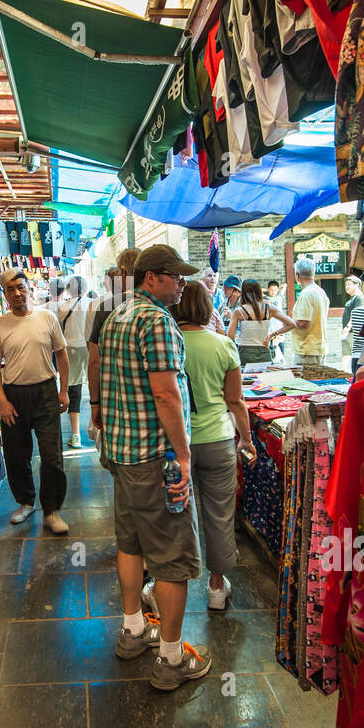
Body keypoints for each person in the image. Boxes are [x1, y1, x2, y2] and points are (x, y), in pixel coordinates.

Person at [94, 244, 213, 691]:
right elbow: (167, 394)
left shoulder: (118, 317)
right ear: (151, 278)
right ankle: (171, 656)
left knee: (130, 542)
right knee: (171, 559)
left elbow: (107, 383)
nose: (182, 283)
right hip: (155, 459)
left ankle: (132, 630)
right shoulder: (157, 321)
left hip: (123, 455)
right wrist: (183, 456)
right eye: (175, 275)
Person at [155, 280, 256, 611]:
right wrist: (247, 439)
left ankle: (167, 585)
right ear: (208, 308)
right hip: (217, 440)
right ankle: (216, 587)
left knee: (173, 512)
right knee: (219, 513)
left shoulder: (167, 343)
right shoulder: (224, 345)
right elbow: (236, 401)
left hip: (174, 442)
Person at [0, 268, 70, 534]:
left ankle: (51, 510)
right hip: (14, 396)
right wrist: (2, 401)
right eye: (11, 290)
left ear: (29, 288)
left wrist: (64, 390)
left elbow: (62, 356)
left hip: (45, 393)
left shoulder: (47, 318)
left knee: (52, 456)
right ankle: (25, 501)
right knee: (17, 455)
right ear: (6, 295)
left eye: (20, 287)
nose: (17, 293)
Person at [86, 248, 139, 458]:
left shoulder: (108, 307)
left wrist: (95, 403)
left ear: (123, 272)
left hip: (116, 397)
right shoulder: (161, 304)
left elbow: (94, 362)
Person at [50, 275, 91, 448]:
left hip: (70, 350)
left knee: (74, 390)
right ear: (85, 288)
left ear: (69, 289)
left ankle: (76, 436)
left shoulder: (62, 307)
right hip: (91, 349)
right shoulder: (93, 304)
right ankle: (98, 427)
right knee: (96, 386)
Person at [229, 278, 297, 368]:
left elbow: (230, 336)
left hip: (245, 353)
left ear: (243, 293)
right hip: (264, 352)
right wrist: (273, 335)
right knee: (264, 380)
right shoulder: (270, 309)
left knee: (248, 380)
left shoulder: (239, 311)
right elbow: (292, 324)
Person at [290, 257, 330, 366]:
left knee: (305, 383)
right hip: (318, 348)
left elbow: (304, 323)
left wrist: (287, 322)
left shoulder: (306, 294)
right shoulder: (321, 292)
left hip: (307, 351)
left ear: (297, 275)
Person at [341, 275, 364, 367]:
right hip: (348, 333)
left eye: (349, 284)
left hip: (353, 332)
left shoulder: (359, 297)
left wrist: (348, 327)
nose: (347, 287)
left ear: (356, 285)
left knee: (351, 355)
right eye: (346, 285)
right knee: (346, 354)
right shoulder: (353, 298)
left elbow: (356, 313)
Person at [264, 280, 288, 364]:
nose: (273, 292)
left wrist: (278, 288)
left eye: (275, 290)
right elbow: (258, 290)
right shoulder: (265, 298)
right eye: (271, 290)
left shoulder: (279, 297)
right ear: (267, 289)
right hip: (270, 329)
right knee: (272, 351)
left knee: (281, 350)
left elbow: (285, 285)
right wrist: (266, 290)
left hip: (279, 329)